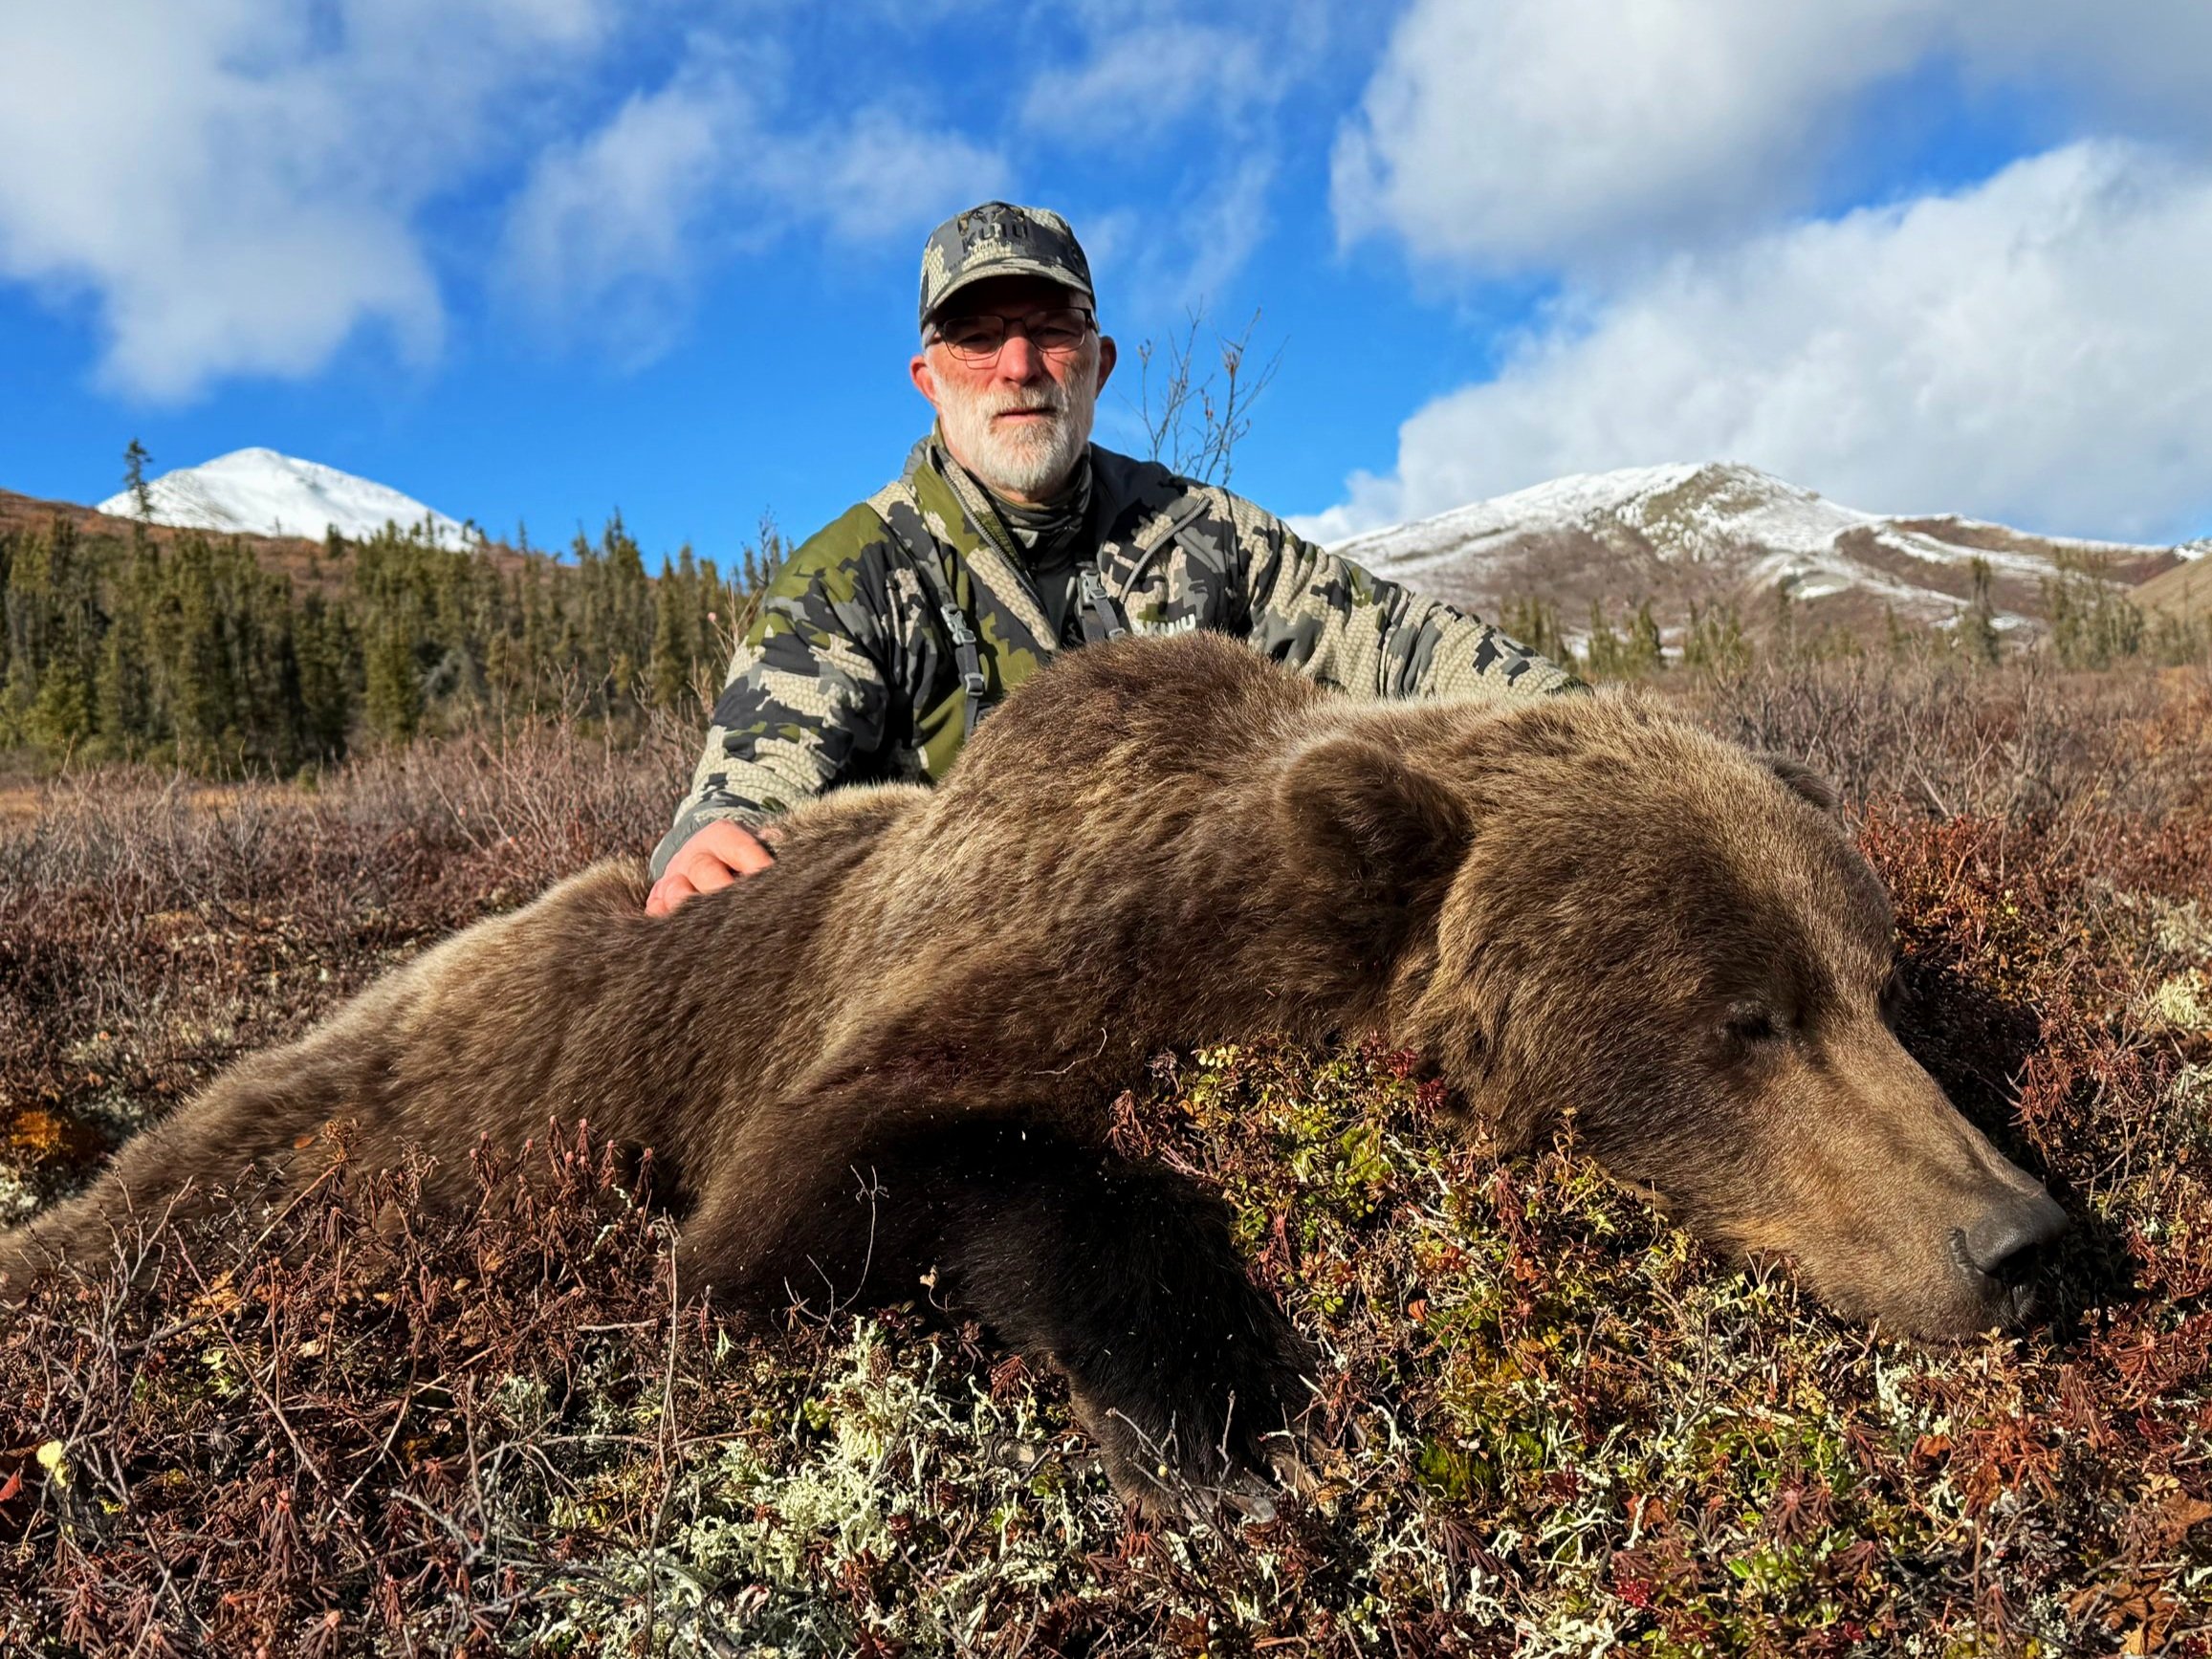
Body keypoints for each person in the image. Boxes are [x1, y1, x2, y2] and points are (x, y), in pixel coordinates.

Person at [646, 201, 1575, 914]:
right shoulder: (859, 573)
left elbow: (1412, 649)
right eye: (977, 338)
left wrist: (1587, 744)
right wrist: (713, 833)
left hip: (1193, 948)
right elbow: (753, 777)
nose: (1018, 366)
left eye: (1052, 329)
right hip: (946, 979)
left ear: (1099, 361)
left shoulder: (1204, 535)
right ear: (928, 381)